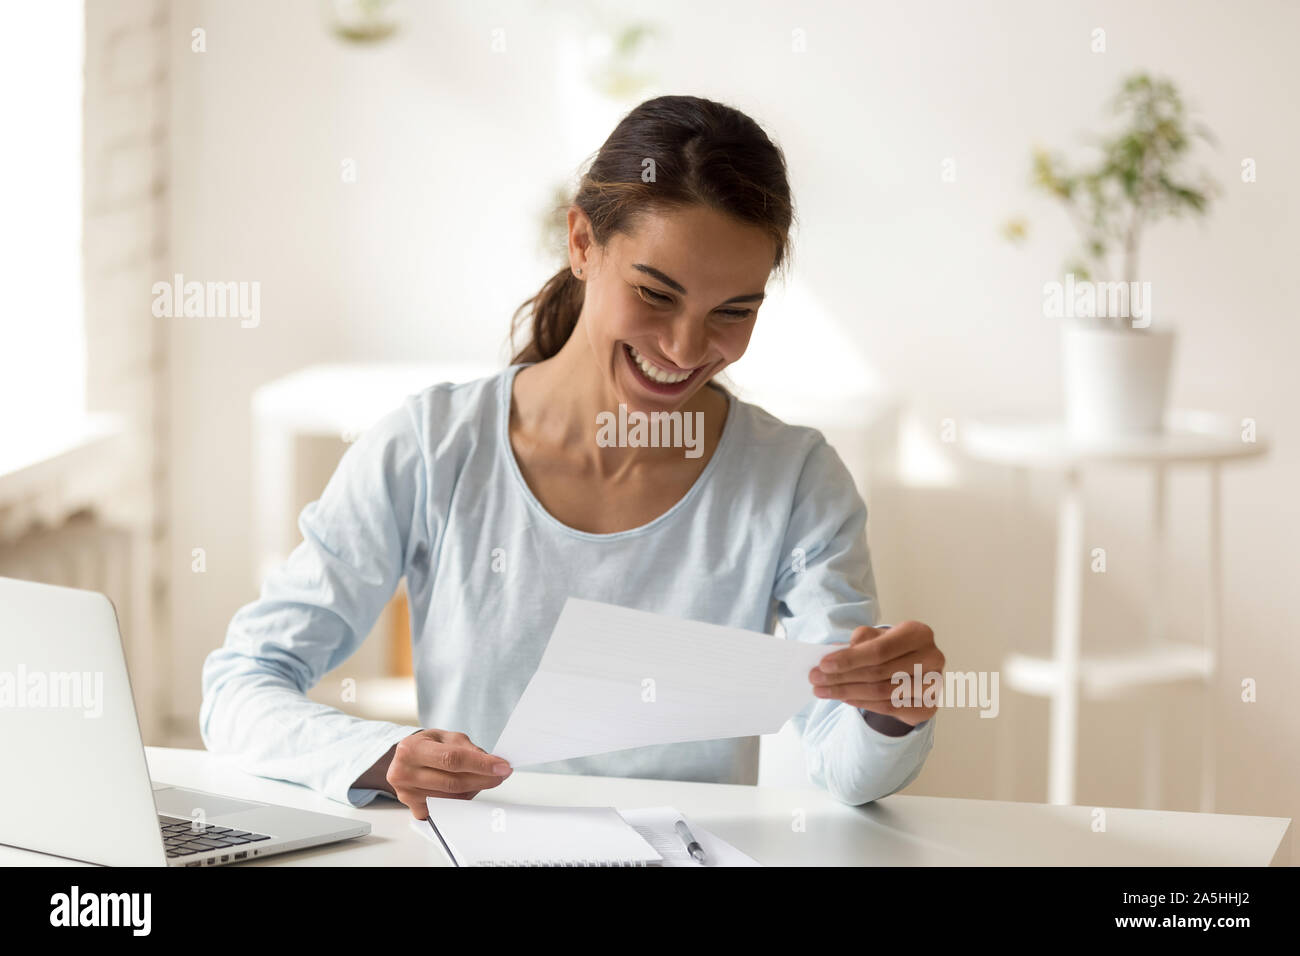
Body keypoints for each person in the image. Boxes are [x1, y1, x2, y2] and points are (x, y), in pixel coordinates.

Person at [201, 94, 943, 820]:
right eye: (655, 294)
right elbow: (240, 686)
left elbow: (847, 768)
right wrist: (381, 755)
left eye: (732, 312)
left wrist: (890, 712)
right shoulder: (431, 447)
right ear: (583, 243)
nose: (685, 350)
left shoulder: (794, 481)